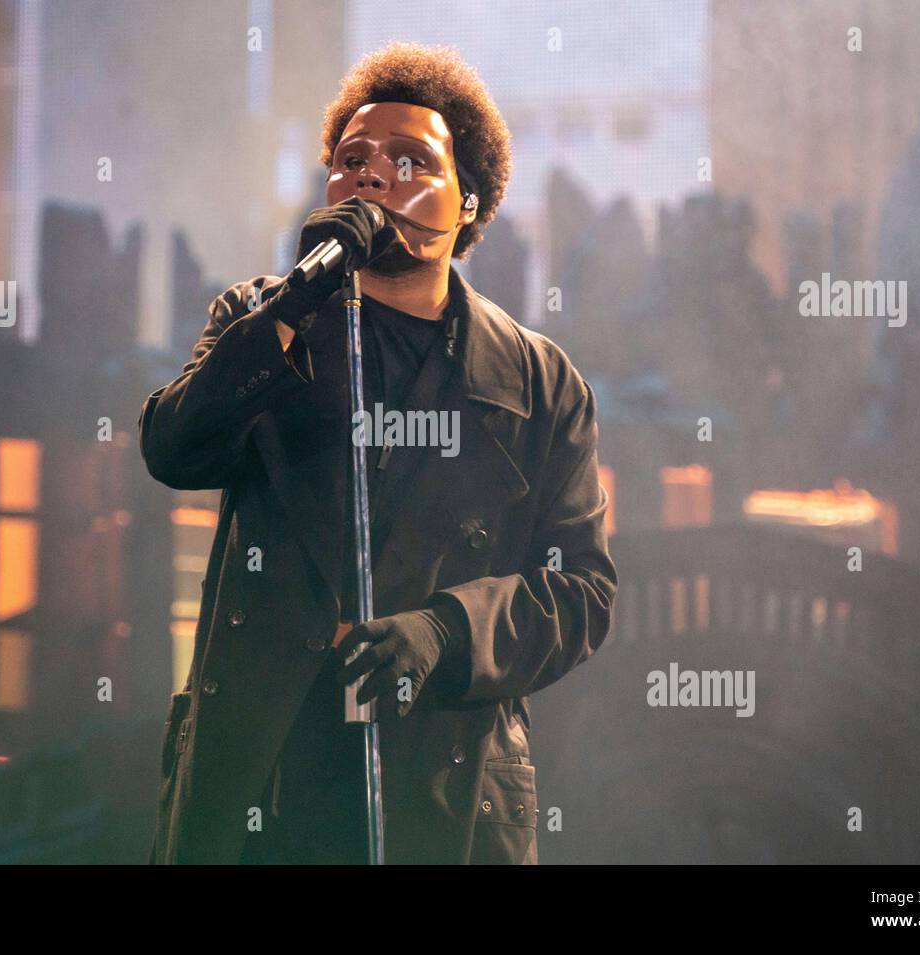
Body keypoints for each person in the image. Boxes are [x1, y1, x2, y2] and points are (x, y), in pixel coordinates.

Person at [140, 41, 616, 864]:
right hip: (266, 780)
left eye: (411, 160)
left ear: (469, 200)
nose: (372, 176)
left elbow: (582, 591)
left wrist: (447, 631)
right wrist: (295, 305)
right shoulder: (263, 320)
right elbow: (174, 449)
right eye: (351, 159)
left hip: (443, 779)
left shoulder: (539, 382)